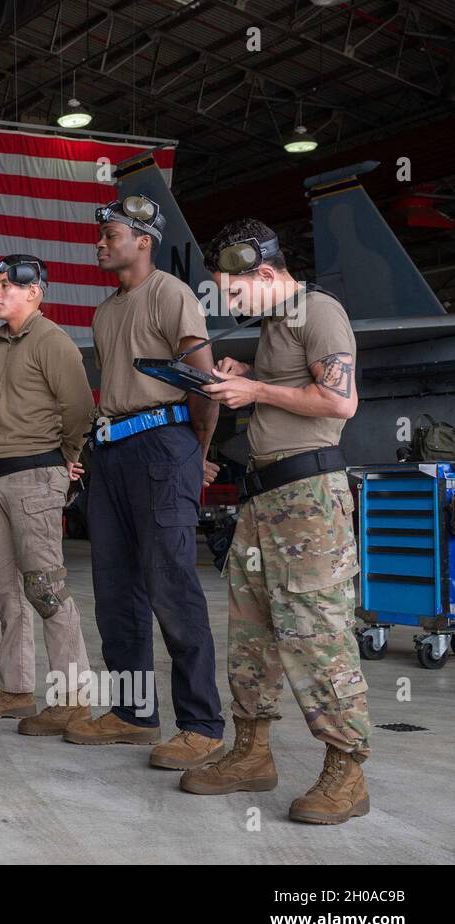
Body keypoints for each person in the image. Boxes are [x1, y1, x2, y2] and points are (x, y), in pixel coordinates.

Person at [181, 218, 370, 825]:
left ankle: (347, 770)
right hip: (264, 501)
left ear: (266, 274)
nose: (228, 302)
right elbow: (286, 385)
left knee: (318, 633)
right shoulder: (272, 325)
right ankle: (251, 753)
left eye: (234, 291)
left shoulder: (319, 311)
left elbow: (340, 402)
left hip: (309, 498)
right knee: (252, 634)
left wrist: (257, 389)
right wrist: (244, 377)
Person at [63, 196, 226, 770]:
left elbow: (203, 384)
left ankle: (202, 725)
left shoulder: (171, 294)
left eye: (110, 235)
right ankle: (133, 716)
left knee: (171, 585)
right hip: (113, 452)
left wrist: (194, 456)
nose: (100, 244)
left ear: (143, 241)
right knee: (116, 591)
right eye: (100, 235)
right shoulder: (105, 313)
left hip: (163, 445)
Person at [0, 255, 95, 736]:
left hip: (37, 475)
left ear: (35, 292)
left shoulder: (53, 341)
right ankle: (16, 690)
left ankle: (72, 699)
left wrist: (68, 456)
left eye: (6, 287)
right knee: (6, 592)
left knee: (46, 589)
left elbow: (79, 408)